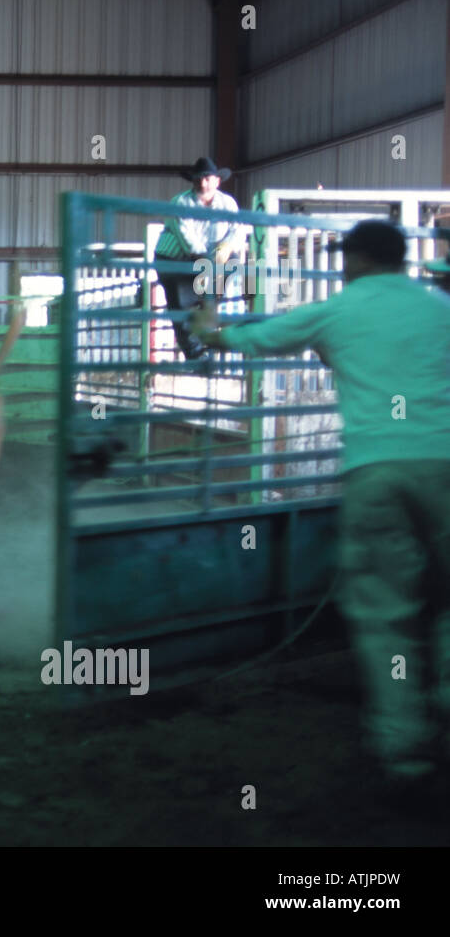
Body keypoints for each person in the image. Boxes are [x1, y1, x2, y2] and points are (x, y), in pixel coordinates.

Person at [191, 220, 450, 799]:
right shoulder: (439, 308)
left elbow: (248, 339)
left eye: (344, 257)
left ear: (356, 259)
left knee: (388, 614)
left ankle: (405, 752)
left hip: (379, 469)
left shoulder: (338, 310)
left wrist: (209, 325)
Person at [154, 156, 247, 360]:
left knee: (232, 262)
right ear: (194, 181)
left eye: (207, 178)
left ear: (217, 181)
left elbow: (237, 229)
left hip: (208, 259)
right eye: (199, 178)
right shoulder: (181, 203)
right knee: (180, 302)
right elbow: (188, 240)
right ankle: (193, 351)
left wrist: (228, 245)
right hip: (174, 258)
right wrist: (208, 264)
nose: (203, 183)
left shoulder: (227, 203)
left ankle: (208, 308)